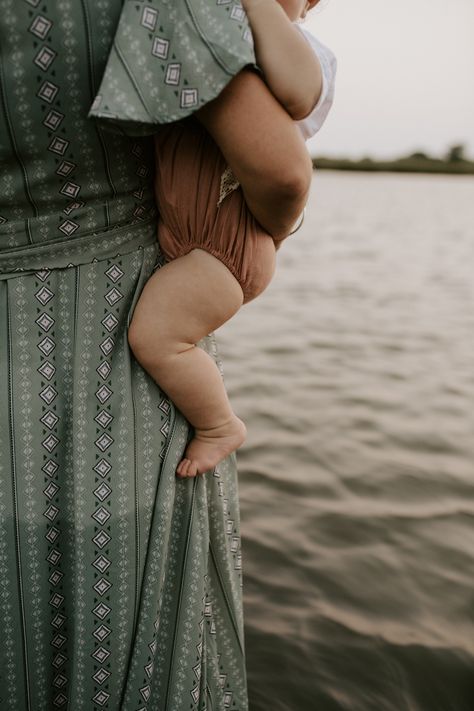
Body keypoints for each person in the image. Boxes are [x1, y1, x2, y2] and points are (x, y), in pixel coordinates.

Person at [0, 1, 315, 708]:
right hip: (167, 272)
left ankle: (220, 421)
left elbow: (297, 113)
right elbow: (285, 177)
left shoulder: (289, 45)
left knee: (154, 336)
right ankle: (218, 422)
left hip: (206, 250)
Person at [127, 0, 337, 479]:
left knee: (157, 338)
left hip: (223, 243)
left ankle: (220, 424)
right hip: (202, 234)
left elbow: (299, 93)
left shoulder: (306, 50)